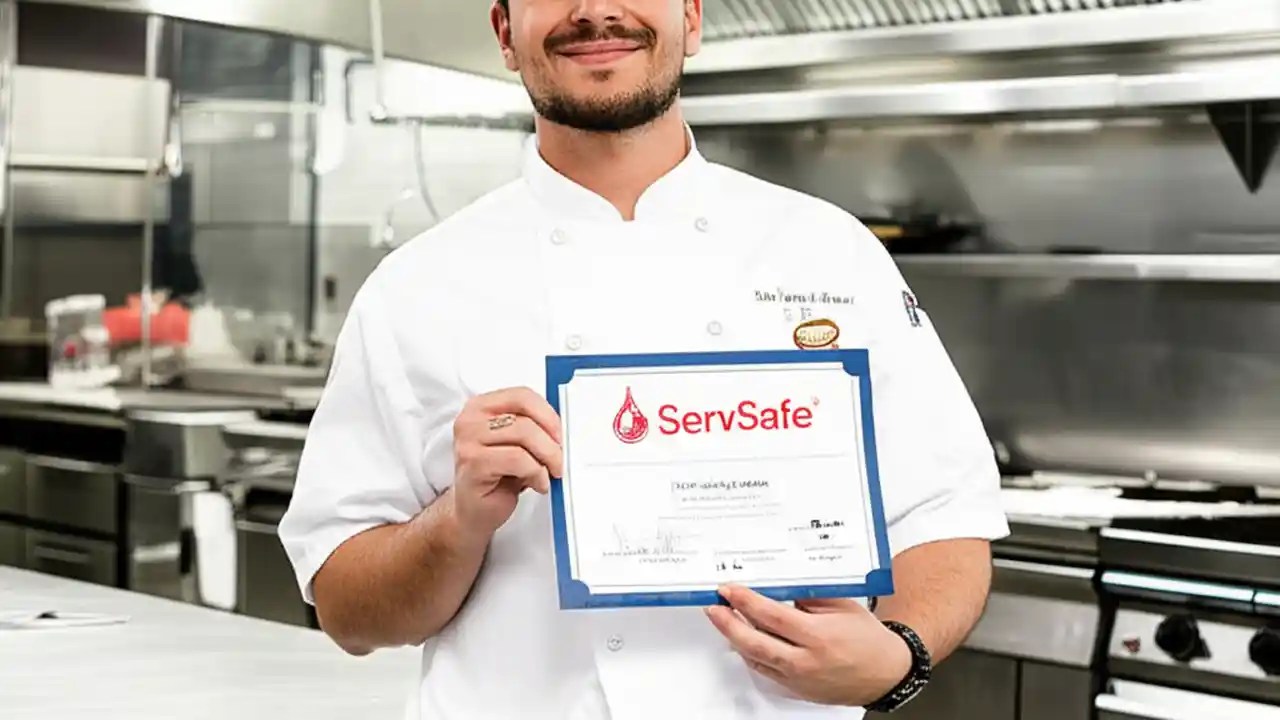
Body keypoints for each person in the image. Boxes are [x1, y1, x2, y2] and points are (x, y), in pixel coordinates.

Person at [277, 0, 1010, 717]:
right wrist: (457, 521)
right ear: (505, 31)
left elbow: (942, 514)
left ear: (691, 17)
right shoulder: (416, 287)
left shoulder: (829, 252)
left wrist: (896, 656)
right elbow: (348, 609)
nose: (595, 11)